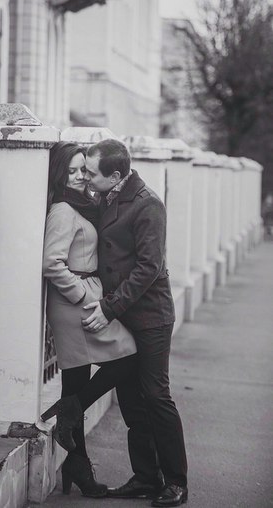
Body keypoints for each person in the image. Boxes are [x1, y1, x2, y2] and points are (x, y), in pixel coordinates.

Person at [81, 138, 188, 508]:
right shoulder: (105, 196)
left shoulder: (147, 204)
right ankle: (146, 477)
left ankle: (176, 482)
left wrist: (109, 308)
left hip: (150, 316)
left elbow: (149, 267)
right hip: (124, 315)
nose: (86, 177)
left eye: (91, 173)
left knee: (156, 395)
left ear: (115, 176)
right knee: (130, 399)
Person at [41, 141, 137, 498]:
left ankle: (76, 465)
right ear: (60, 174)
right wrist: (84, 296)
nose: (80, 176)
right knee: (128, 356)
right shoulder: (63, 210)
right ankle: (71, 415)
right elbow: (52, 263)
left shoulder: (84, 204)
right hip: (74, 302)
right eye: (72, 171)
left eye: (84, 169)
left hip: (84, 295)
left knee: (75, 382)